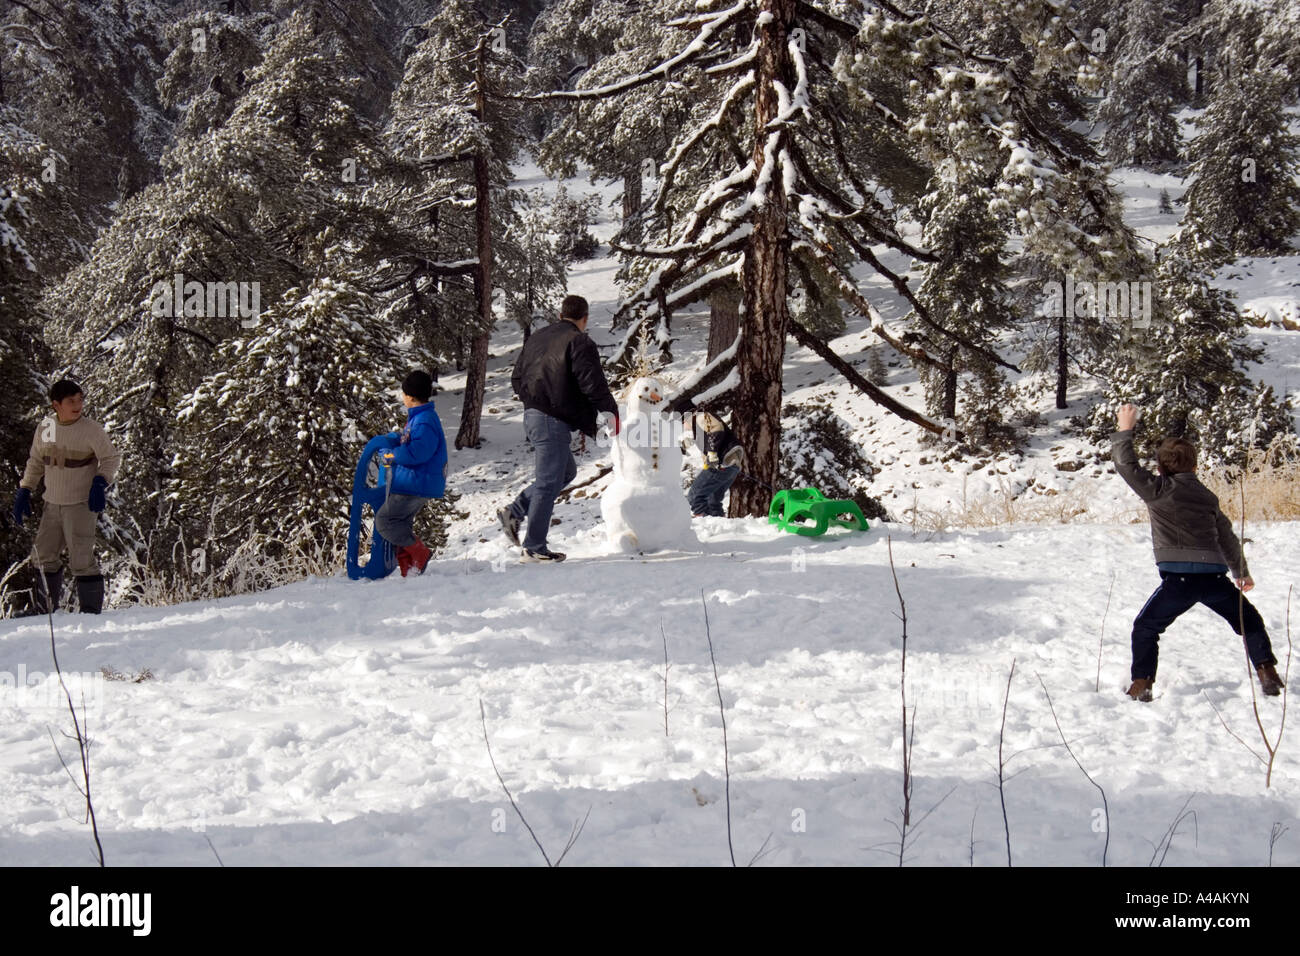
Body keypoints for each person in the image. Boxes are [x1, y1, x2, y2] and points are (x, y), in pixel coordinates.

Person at [1112, 403, 1284, 701]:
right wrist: (1241, 572)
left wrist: (1124, 430)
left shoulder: (1158, 489)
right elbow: (1227, 537)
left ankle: (1142, 683)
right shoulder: (1207, 496)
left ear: (1161, 468)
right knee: (1250, 622)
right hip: (1214, 578)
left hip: (1178, 581)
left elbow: (1127, 466)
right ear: (1194, 466)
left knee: (1146, 627)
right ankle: (1267, 672)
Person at [498, 294, 618, 562]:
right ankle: (534, 547)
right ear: (584, 318)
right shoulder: (579, 341)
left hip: (532, 416)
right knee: (549, 481)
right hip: (551, 419)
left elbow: (516, 378)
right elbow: (593, 384)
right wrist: (611, 413)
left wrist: (534, 399)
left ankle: (516, 510)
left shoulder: (538, 337)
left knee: (566, 472)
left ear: (561, 314)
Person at [13, 379, 122, 614]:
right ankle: (43, 610)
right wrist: (25, 489)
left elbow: (111, 458)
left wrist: (100, 481)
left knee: (82, 560)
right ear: (56, 405)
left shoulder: (90, 430)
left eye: (80, 399)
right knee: (43, 557)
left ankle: (90, 614)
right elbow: (36, 462)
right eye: (71, 401)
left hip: (80, 504)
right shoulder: (47, 428)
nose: (78, 405)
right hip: (52, 503)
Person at [375, 371, 447, 577]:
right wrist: (397, 438)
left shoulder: (424, 421)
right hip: (415, 482)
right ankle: (411, 569)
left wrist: (392, 455)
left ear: (411, 396)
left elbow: (418, 452)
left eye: (404, 394)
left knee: (385, 521)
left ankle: (419, 553)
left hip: (417, 483)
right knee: (400, 523)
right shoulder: (420, 419)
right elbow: (412, 441)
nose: (403, 397)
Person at [682, 409, 744, 517]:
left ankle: (704, 523)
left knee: (695, 496)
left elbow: (716, 430)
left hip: (722, 463)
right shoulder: (699, 425)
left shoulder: (701, 417)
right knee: (712, 501)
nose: (683, 426)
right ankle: (719, 528)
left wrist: (712, 453)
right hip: (730, 465)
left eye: (681, 421)